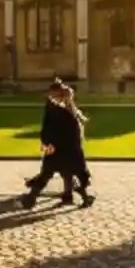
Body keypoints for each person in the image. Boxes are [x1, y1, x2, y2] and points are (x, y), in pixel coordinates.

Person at [20, 81, 95, 209]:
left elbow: (50, 128)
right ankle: (80, 197)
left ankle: (31, 199)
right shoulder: (67, 110)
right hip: (68, 149)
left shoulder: (57, 110)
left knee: (48, 173)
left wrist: (46, 142)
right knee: (68, 173)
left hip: (58, 147)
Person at [23, 78, 75, 204]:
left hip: (57, 143)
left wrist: (46, 140)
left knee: (52, 171)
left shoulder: (58, 107)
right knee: (61, 171)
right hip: (59, 143)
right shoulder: (59, 106)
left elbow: (53, 126)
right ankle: (67, 195)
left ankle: (32, 196)